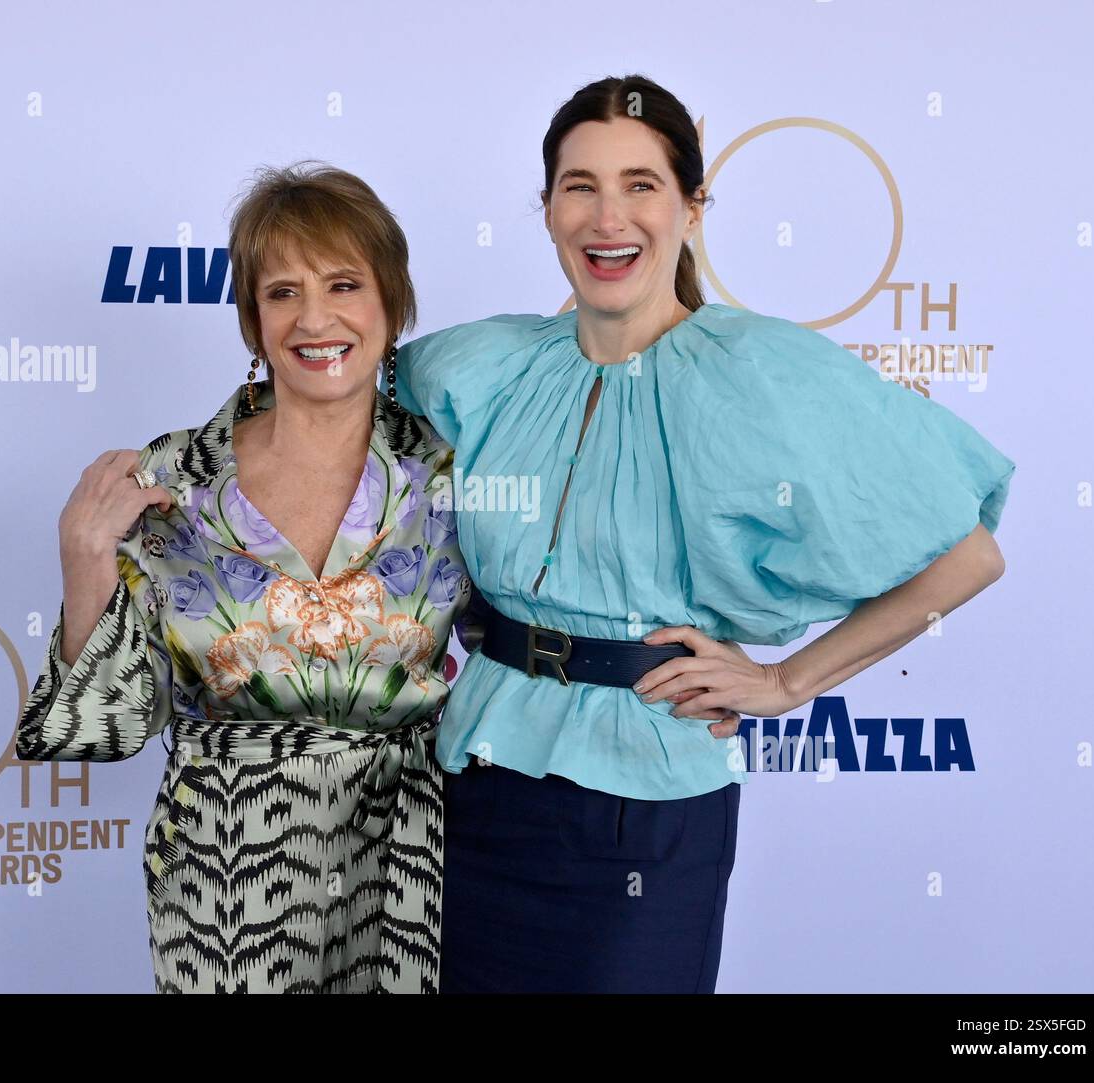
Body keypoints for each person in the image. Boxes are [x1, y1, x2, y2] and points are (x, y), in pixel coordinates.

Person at [395, 74, 1015, 993]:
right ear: (548, 209)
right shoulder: (475, 368)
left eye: (641, 184)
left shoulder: (762, 374)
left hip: (648, 808)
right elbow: (324, 436)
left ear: (692, 206)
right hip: (470, 790)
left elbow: (970, 553)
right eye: (581, 186)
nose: (610, 217)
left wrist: (787, 678)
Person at [17, 163, 471, 993]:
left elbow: (531, 632)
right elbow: (104, 729)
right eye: (283, 292)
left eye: (344, 283)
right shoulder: (175, 475)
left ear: (392, 305)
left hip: (409, 864)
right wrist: (84, 558)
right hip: (226, 876)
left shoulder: (448, 473)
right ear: (252, 320)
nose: (316, 318)